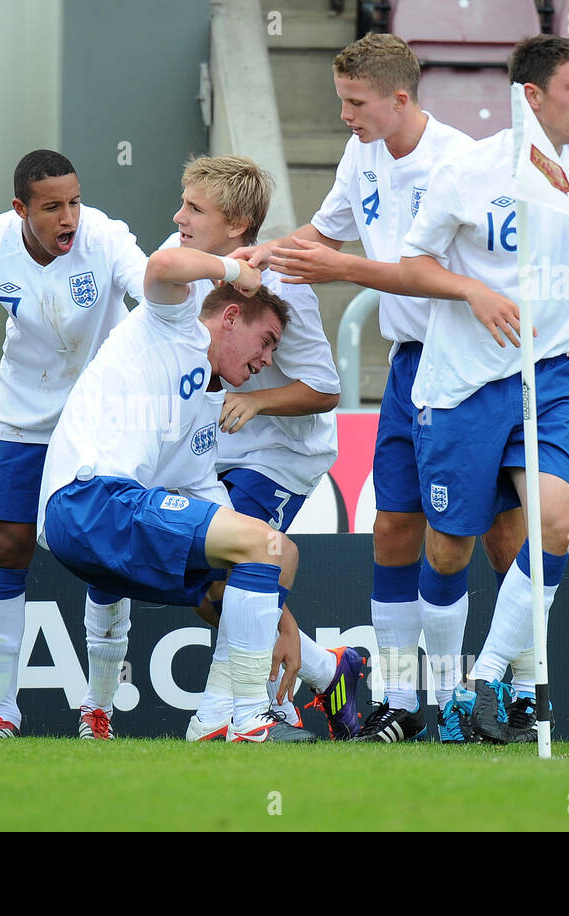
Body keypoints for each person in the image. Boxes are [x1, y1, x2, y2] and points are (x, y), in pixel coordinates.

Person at [237, 33, 526, 743]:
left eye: (355, 102)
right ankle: (400, 700)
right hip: (407, 365)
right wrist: (262, 251)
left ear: (401, 98)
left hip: (466, 368)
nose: (344, 115)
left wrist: (338, 271)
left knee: (496, 536)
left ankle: (503, 694)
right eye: (341, 101)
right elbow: (327, 232)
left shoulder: (459, 160)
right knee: (395, 527)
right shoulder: (363, 151)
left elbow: (417, 271)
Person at [397, 35, 569, 744]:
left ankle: (489, 678)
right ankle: (446, 700)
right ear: (531, 96)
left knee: (556, 522)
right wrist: (471, 292)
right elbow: (412, 263)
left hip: (549, 378)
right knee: (448, 552)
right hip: (461, 385)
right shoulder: (467, 170)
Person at [39, 244, 358, 743]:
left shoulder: (202, 411)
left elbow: (227, 522)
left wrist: (283, 621)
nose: (267, 360)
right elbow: (163, 266)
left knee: (272, 553)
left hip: (94, 525)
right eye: (267, 342)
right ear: (231, 316)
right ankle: (248, 719)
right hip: (89, 499)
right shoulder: (176, 325)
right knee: (269, 549)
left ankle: (213, 720)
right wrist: (237, 271)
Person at [160, 155, 360, 743]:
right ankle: (329, 669)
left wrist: (259, 403)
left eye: (196, 208)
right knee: (201, 580)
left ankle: (261, 711)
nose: (180, 217)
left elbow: (325, 390)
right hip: (211, 449)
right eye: (184, 201)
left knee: (241, 563)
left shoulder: (285, 289)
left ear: (239, 223)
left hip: (280, 457)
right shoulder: (181, 261)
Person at [0, 149, 147, 739]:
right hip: (19, 418)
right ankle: (3, 713)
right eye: (53, 207)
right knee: (7, 549)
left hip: (100, 421)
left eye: (76, 202)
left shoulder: (106, 238)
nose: (70, 217)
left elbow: (150, 287)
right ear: (21, 210)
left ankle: (97, 709)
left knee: (105, 559)